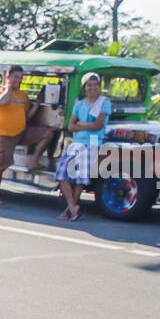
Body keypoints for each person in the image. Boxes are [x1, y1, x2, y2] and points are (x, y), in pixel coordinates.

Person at [0, 65, 57, 207]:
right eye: (15, 77)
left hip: (22, 132)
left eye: (20, 77)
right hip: (5, 135)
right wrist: (8, 87)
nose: (18, 80)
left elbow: (26, 116)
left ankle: (34, 160)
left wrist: (37, 104)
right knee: (0, 166)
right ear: (8, 77)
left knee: (48, 133)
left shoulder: (23, 95)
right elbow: (2, 102)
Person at [54, 72, 113, 221]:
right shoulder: (79, 104)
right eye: (89, 85)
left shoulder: (104, 103)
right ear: (84, 88)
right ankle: (73, 207)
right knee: (62, 175)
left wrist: (82, 124)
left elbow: (98, 125)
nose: (92, 87)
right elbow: (71, 126)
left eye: (95, 85)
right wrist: (83, 126)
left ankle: (70, 210)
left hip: (93, 143)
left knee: (80, 178)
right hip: (77, 143)